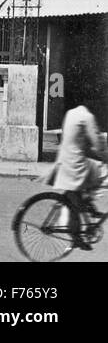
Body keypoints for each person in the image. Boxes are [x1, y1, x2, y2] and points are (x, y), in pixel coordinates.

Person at [51, 104, 108, 247]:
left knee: (74, 199)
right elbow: (98, 144)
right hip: (76, 165)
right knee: (101, 171)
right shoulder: (88, 117)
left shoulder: (71, 113)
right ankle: (88, 203)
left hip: (64, 161)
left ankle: (77, 234)